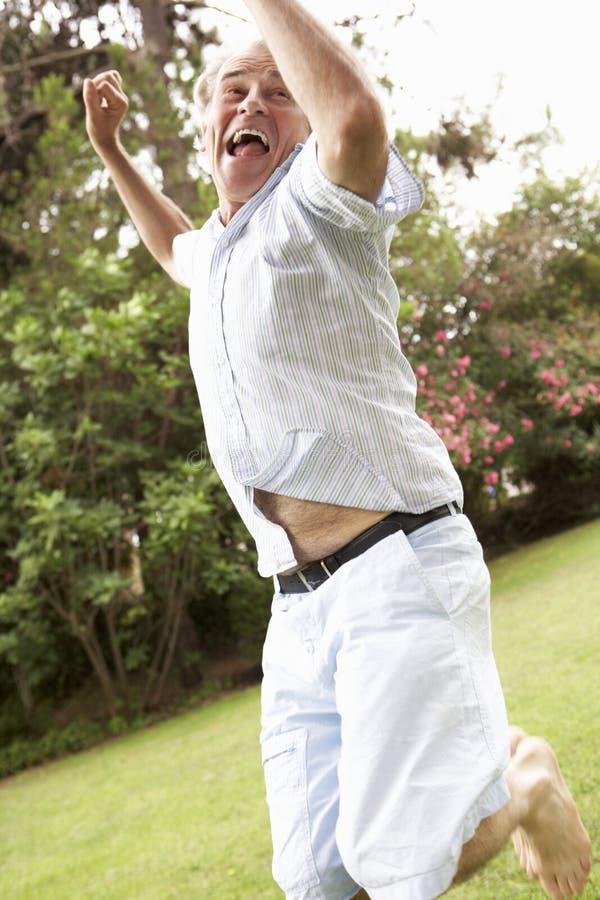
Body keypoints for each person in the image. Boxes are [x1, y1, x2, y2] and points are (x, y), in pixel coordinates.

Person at [83, 1, 592, 897]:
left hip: (395, 565)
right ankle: (498, 775)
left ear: (306, 125)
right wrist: (115, 156)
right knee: (319, 881)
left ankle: (523, 783)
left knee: (399, 871)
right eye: (234, 91)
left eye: (279, 91)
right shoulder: (216, 257)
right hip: (297, 607)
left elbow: (355, 117)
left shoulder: (323, 207)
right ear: (207, 127)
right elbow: (171, 244)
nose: (252, 102)